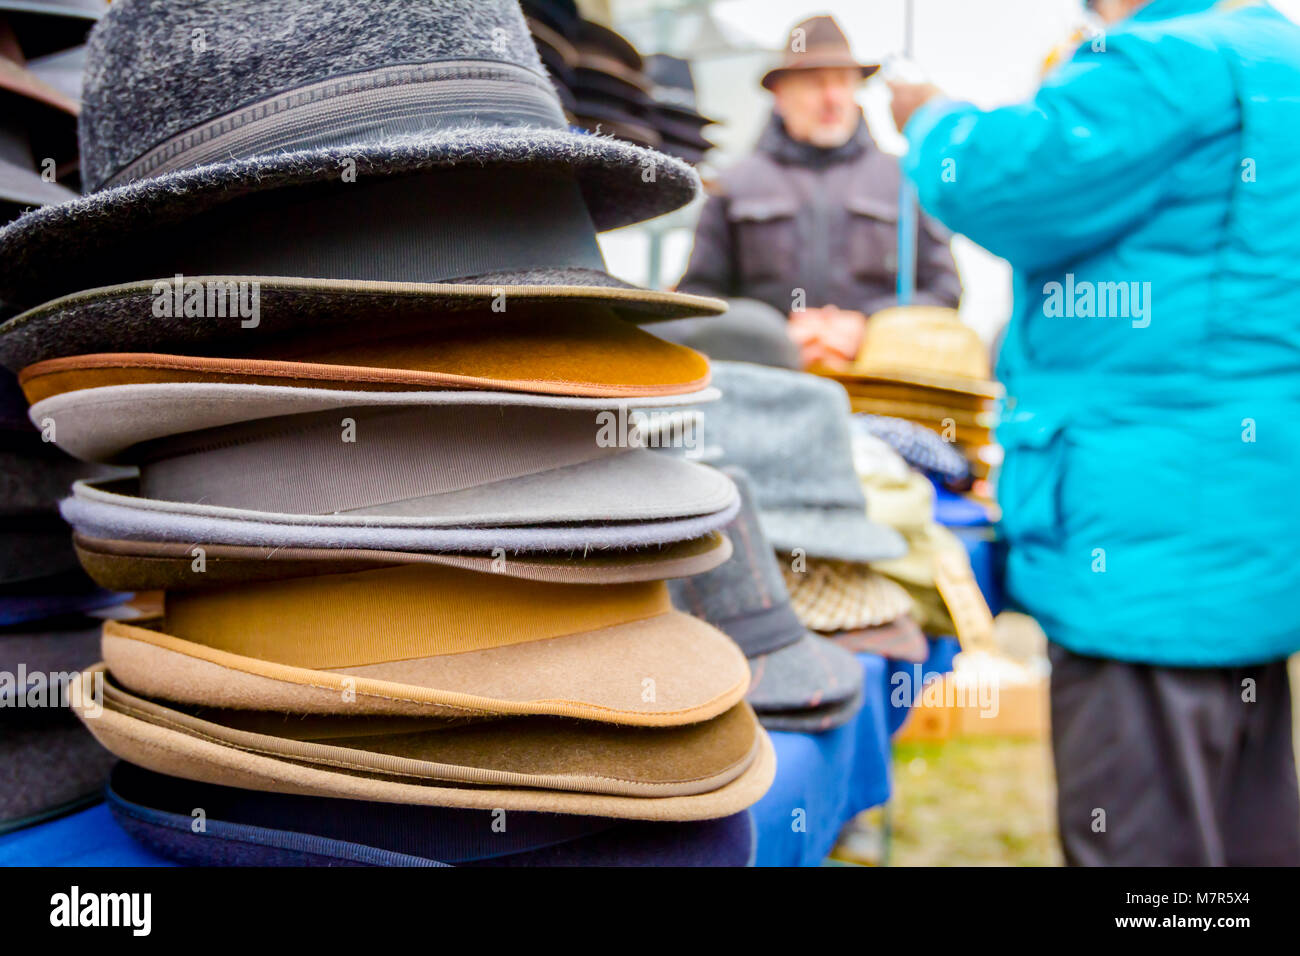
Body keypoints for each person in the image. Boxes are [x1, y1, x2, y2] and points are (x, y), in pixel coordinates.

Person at [889, 0, 1300, 866]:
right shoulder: (1276, 53)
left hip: (1145, 549)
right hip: (1248, 535)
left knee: (1141, 857)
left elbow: (1005, 179)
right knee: (1245, 830)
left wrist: (925, 117)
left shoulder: (1157, 61)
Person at [678, 15, 961, 369]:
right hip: (768, 387)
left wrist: (866, 326)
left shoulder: (906, 181)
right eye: (815, 82)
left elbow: (945, 291)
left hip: (880, 389)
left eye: (843, 81)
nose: (832, 97)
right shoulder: (731, 184)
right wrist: (774, 336)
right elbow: (698, 298)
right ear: (780, 94)